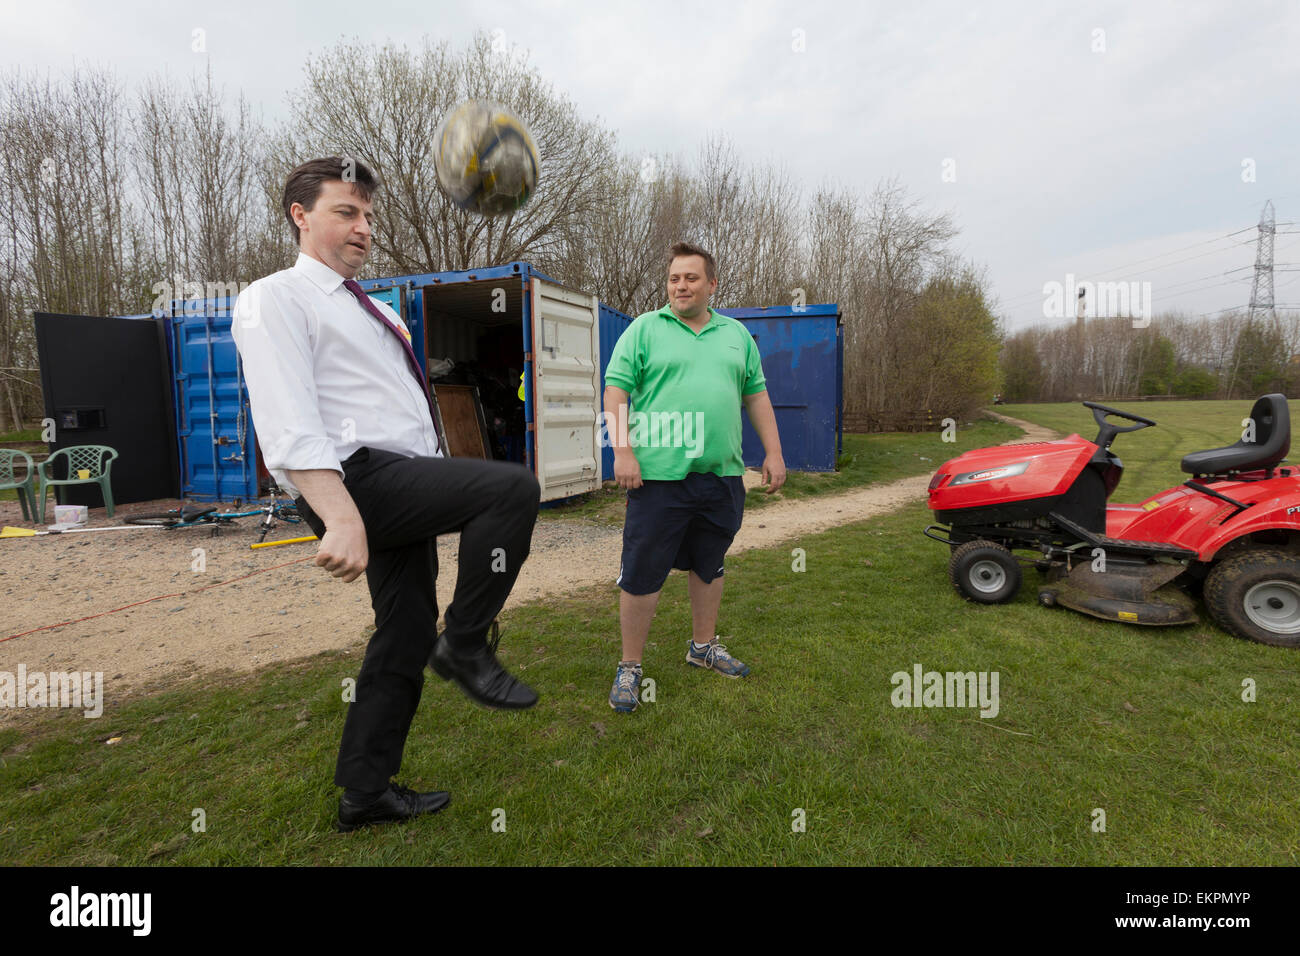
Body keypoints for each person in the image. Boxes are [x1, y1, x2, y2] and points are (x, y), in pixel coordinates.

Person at [231, 156, 541, 833]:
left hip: (395, 481)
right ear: (301, 215)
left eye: (369, 216)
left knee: (401, 635)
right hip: (357, 482)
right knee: (511, 491)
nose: (364, 227)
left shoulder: (374, 310)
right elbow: (284, 418)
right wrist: (340, 514)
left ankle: (365, 793)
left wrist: (431, 478)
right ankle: (465, 646)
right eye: (347, 211)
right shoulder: (275, 297)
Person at [602, 241, 786, 713]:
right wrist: (622, 451)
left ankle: (702, 647)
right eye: (674, 279)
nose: (681, 286)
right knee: (643, 573)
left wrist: (774, 452)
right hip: (658, 479)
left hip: (721, 477)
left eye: (691, 278)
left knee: (710, 563)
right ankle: (630, 667)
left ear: (711, 284)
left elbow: (757, 397)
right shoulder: (645, 329)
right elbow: (616, 392)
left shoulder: (737, 335)